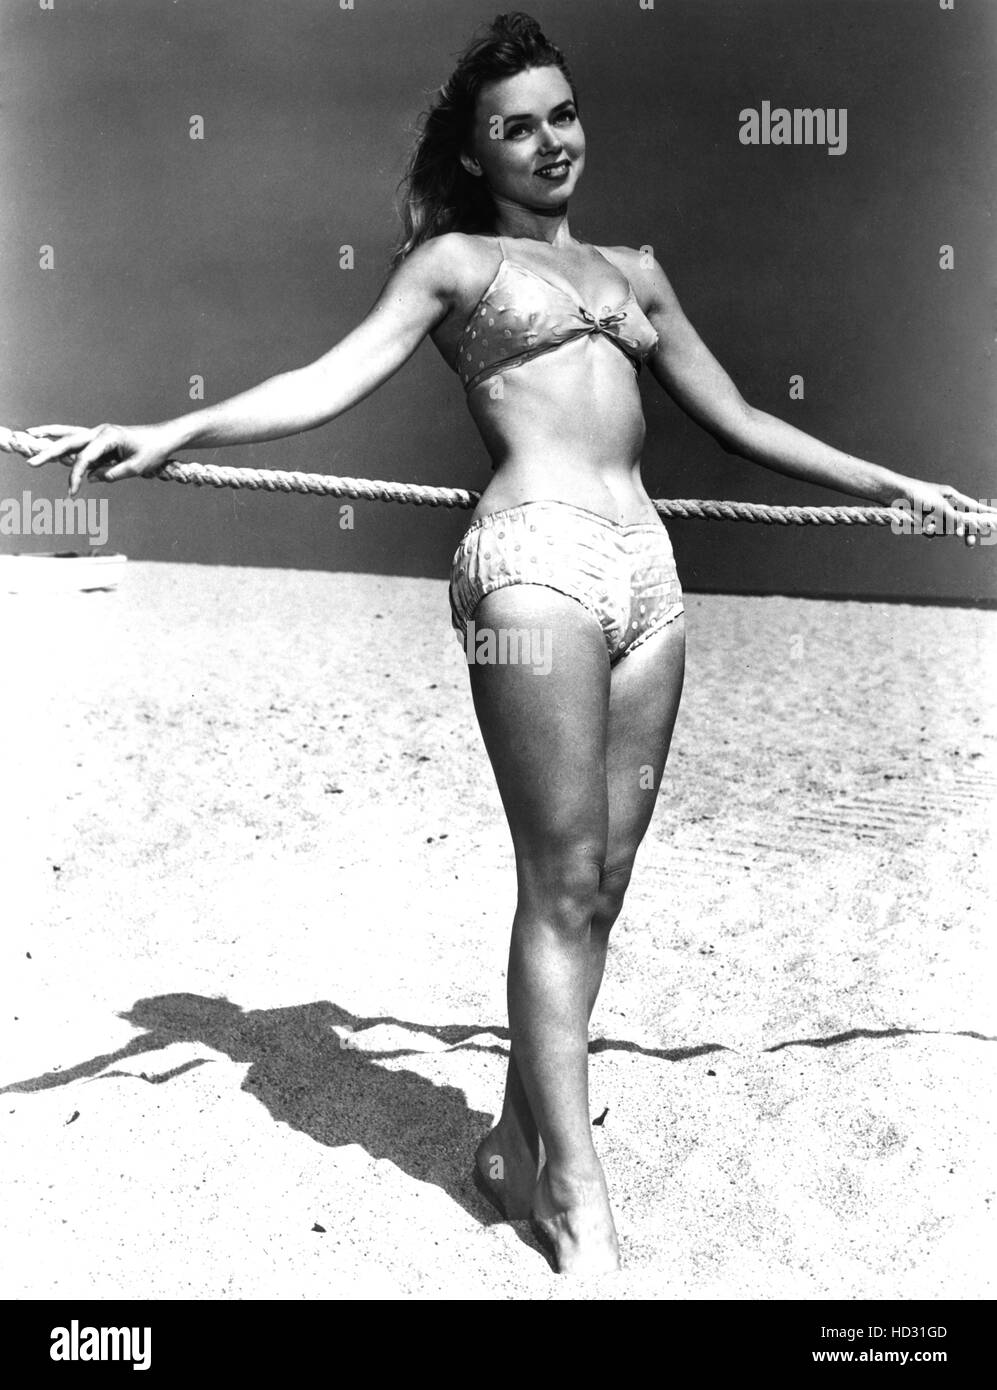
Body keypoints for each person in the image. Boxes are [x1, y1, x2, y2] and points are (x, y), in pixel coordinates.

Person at [25, 12, 994, 1275]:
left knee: (603, 884)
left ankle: (511, 1146)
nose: (549, 142)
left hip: (649, 578)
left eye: (562, 115)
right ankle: (579, 1206)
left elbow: (742, 417)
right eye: (516, 127)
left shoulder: (636, 274)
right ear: (476, 152)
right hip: (532, 569)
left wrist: (893, 484)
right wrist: (173, 433)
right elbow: (328, 378)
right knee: (558, 874)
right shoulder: (454, 263)